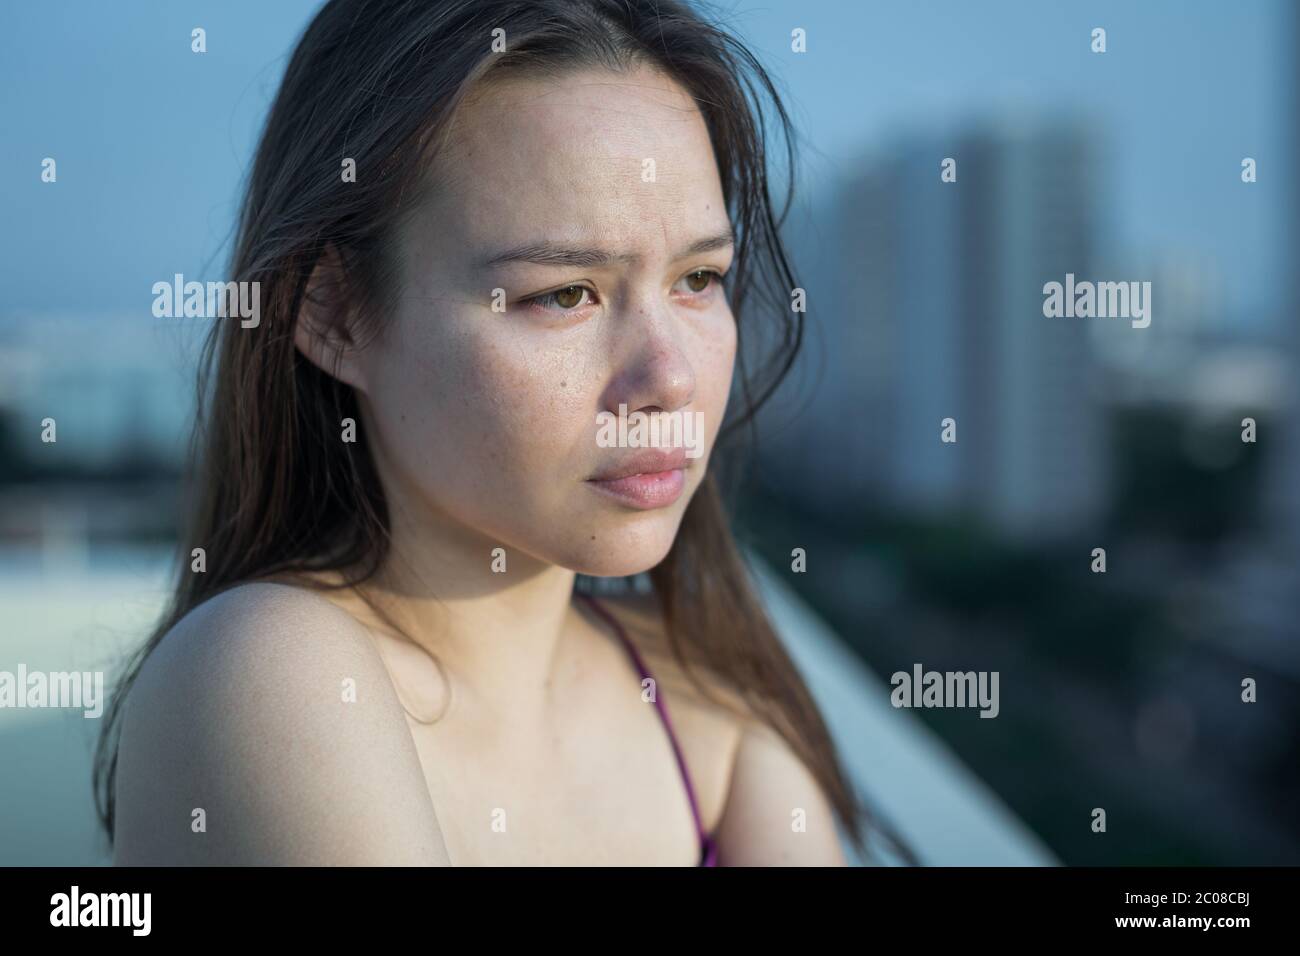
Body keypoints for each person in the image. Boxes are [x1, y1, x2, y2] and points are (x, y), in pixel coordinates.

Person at [96, 0, 886, 866]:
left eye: (699, 278)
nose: (670, 377)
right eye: (564, 294)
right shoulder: (271, 673)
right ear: (333, 315)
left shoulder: (711, 710)